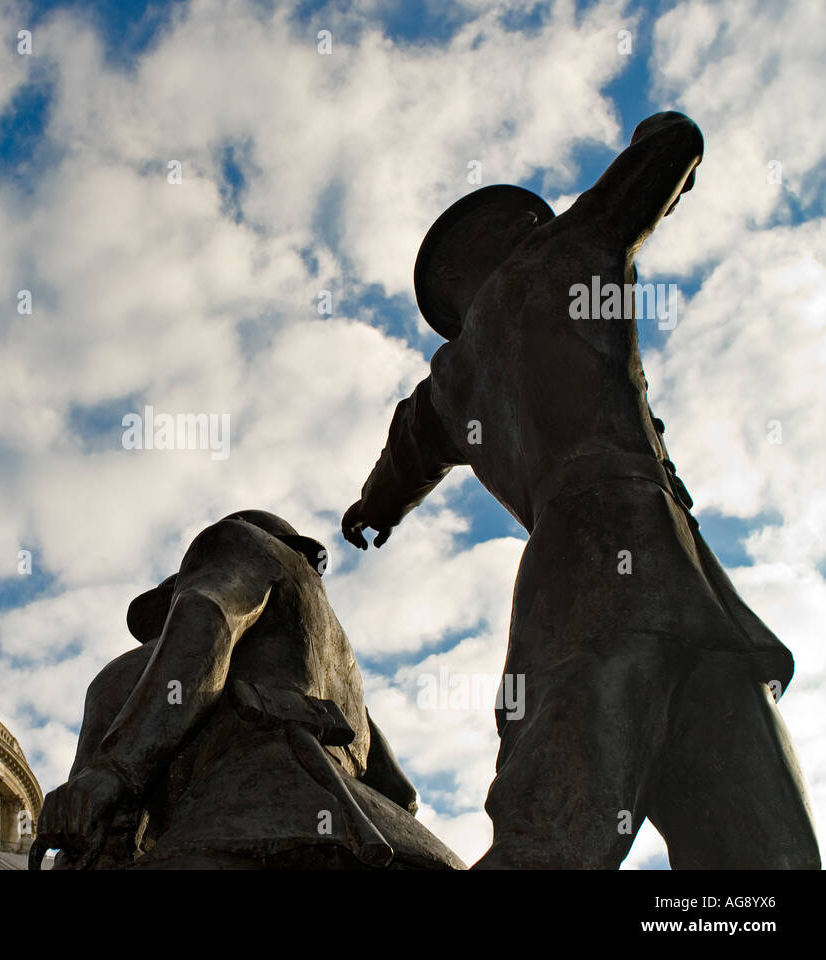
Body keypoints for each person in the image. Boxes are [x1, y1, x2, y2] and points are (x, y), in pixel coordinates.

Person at [341, 112, 819, 868]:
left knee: (562, 826)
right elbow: (673, 147)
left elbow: (397, 470)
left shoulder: (446, 387)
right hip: (660, 570)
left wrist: (372, 513)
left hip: (584, 583)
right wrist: (662, 133)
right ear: (518, 226)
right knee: (750, 861)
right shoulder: (570, 248)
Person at [31, 510, 463, 870]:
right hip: (398, 845)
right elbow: (403, 795)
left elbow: (208, 618)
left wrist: (113, 772)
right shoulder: (340, 661)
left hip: (248, 830)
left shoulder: (238, 544)